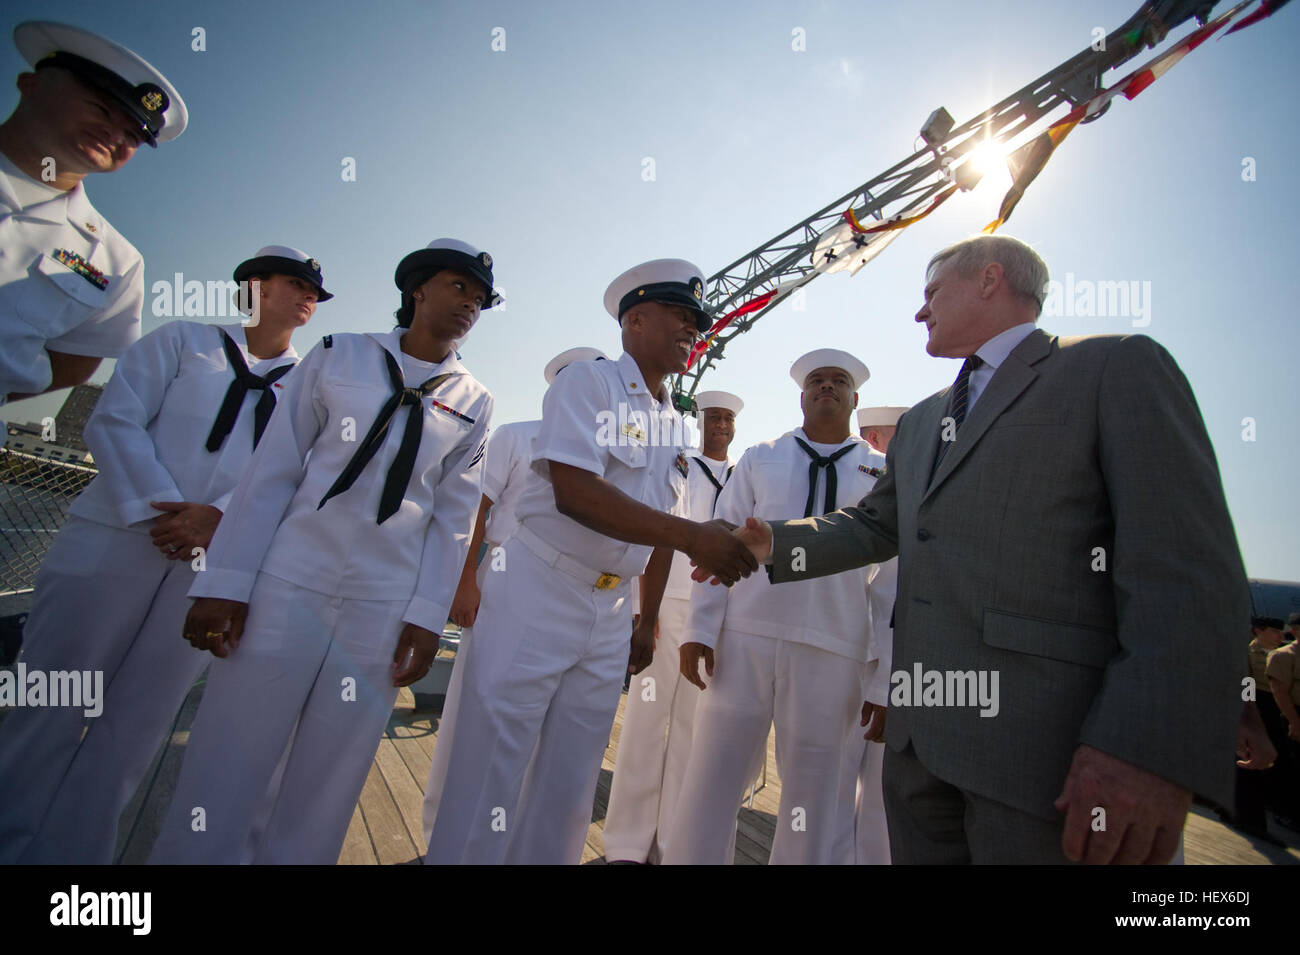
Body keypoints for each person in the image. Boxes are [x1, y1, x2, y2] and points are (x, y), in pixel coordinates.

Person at [712, 234, 1249, 864]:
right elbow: (873, 526)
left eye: (931, 293)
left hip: (1046, 759)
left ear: (989, 280)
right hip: (922, 756)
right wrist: (773, 541)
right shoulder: (921, 423)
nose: (920, 312)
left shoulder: (1114, 368)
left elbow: (1185, 573)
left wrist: (1147, 752)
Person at [147, 238, 498, 864]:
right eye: (458, 287)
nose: (470, 303)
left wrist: (425, 614)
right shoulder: (343, 355)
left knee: (329, 780)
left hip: (381, 605)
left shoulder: (474, 400)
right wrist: (224, 581)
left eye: (481, 298)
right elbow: (273, 469)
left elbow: (452, 516)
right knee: (229, 755)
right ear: (416, 290)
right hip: (289, 581)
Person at [425, 258, 758, 865]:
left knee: (571, 780)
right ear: (634, 319)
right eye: (681, 317)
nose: (693, 330)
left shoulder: (672, 424)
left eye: (696, 322)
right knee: (493, 763)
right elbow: (574, 492)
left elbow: (658, 534)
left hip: (610, 611)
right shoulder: (589, 385)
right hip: (539, 586)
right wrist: (693, 535)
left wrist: (646, 618)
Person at [0, 245, 324, 864]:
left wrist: (218, 518)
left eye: (314, 290)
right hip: (115, 538)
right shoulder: (180, 342)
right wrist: (165, 509)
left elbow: (294, 470)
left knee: (137, 726)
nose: (309, 295)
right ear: (252, 285)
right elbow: (116, 422)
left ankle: (75, 863)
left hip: (210, 561)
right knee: (54, 702)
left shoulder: (308, 386)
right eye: (295, 282)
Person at [664, 349, 886, 865]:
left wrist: (885, 672)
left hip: (837, 644)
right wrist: (701, 626)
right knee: (712, 775)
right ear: (801, 394)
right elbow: (719, 544)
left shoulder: (883, 471)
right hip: (747, 635)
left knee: (818, 793)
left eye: (838, 381)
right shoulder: (760, 457)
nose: (826, 386)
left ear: (856, 398)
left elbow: (893, 580)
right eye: (816, 380)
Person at [420, 345, 608, 852]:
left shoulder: (609, 447)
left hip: (577, 588)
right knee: (477, 710)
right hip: (506, 573)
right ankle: (444, 824)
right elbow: (473, 510)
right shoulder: (517, 434)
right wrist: (465, 582)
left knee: (548, 732)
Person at [0, 20, 186, 403]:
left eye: (133, 135)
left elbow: (74, 362)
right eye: (102, 109)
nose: (115, 135)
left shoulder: (115, 262)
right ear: (31, 85)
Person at [603, 388, 743, 864]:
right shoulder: (677, 462)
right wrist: (647, 611)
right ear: (697, 422)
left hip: (717, 617)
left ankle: (673, 843)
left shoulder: (746, 475)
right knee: (645, 723)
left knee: (692, 731)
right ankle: (626, 841)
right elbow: (657, 531)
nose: (720, 425)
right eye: (712, 417)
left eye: (727, 419)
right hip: (667, 605)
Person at [850, 404, 909, 864]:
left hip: (888, 670)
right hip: (849, 658)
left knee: (879, 797)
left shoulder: (910, 500)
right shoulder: (871, 493)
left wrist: (886, 684)